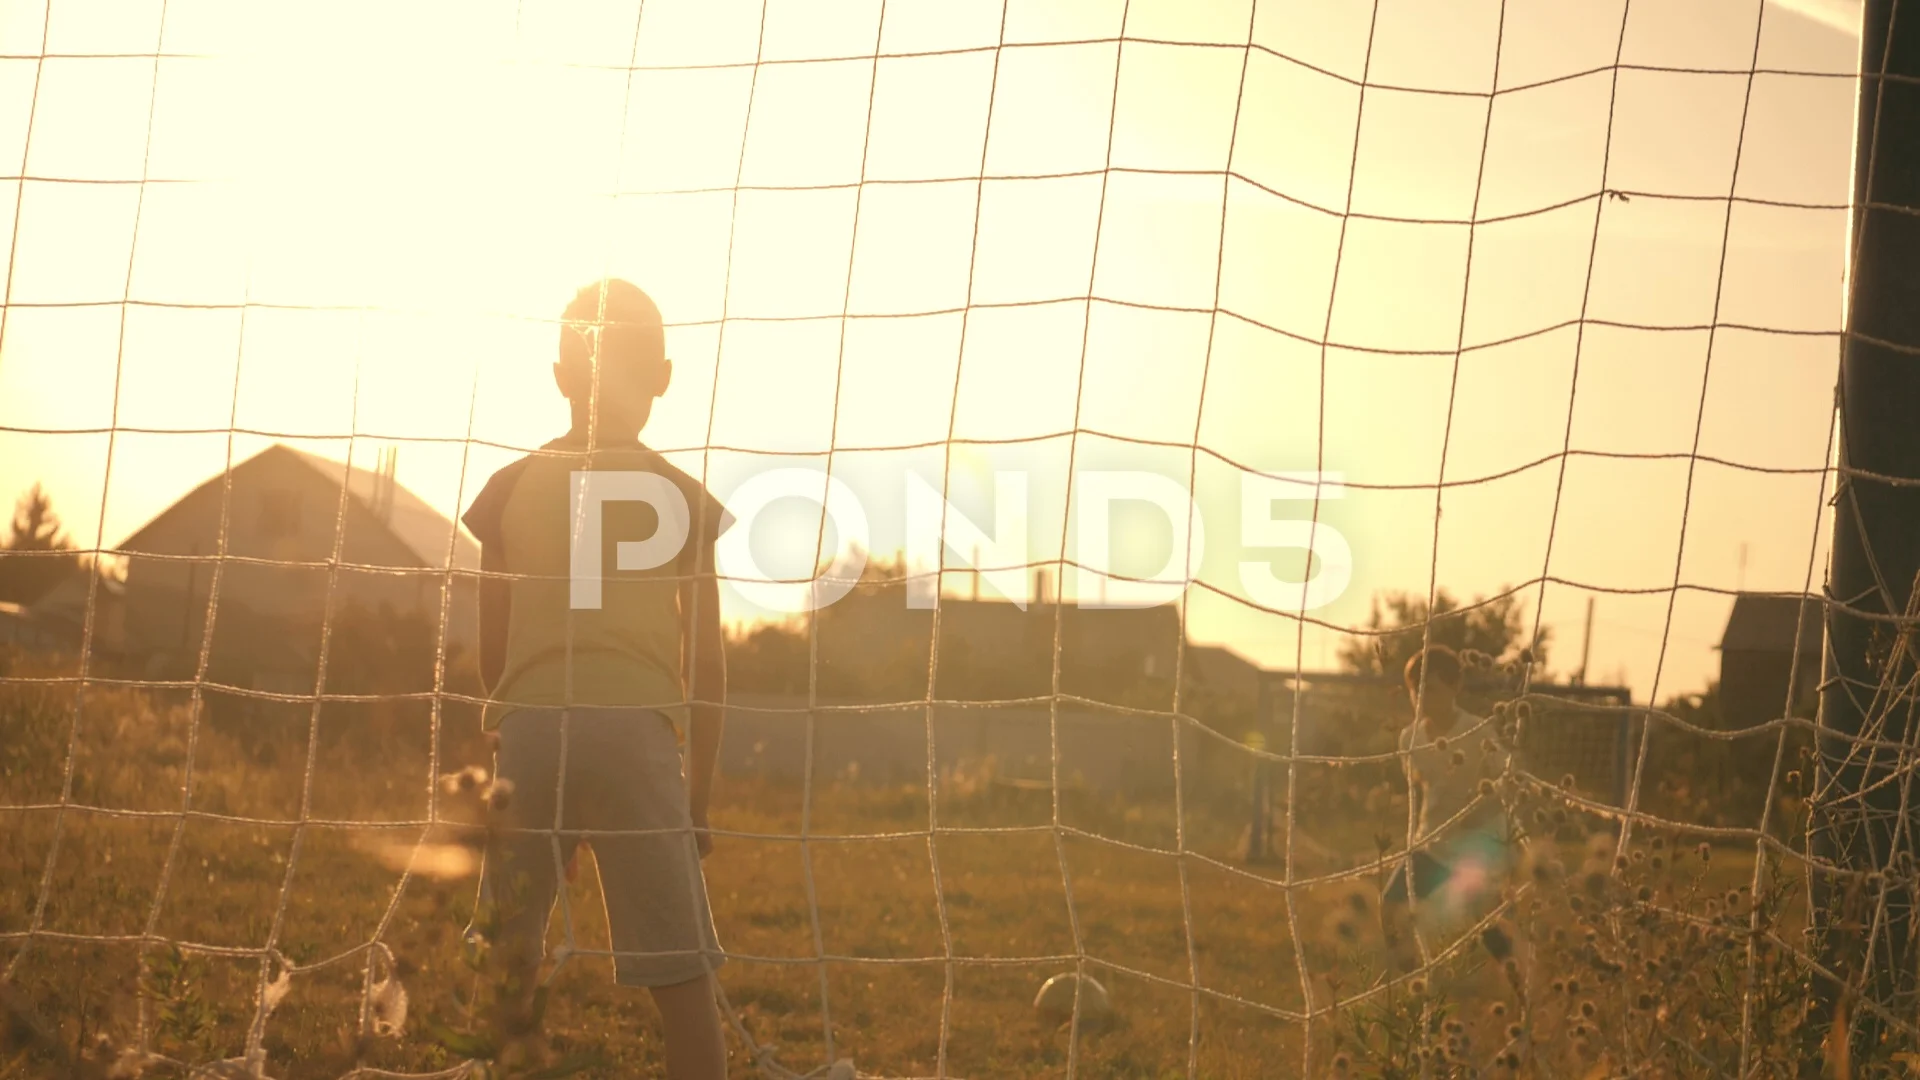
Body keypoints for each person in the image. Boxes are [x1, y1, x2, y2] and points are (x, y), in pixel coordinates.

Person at [461, 279, 731, 1079]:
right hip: (638, 737)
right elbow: (707, 668)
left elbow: (493, 657)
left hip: (534, 732)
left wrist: (534, 772)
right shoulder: (682, 497)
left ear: (559, 376)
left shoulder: (507, 490)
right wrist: (696, 800)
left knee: (503, 970)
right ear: (665, 376)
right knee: (684, 984)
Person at [1380, 644, 1511, 954]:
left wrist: (1485, 810)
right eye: (1416, 690)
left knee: (1486, 923)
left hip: (1476, 846)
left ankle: (1514, 971)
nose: (1422, 698)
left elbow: (1509, 780)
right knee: (1390, 905)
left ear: (1456, 687)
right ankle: (1409, 970)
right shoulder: (1409, 738)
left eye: (1432, 689)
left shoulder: (1478, 731)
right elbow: (1419, 788)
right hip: (1433, 843)